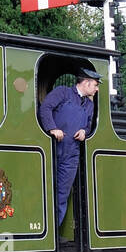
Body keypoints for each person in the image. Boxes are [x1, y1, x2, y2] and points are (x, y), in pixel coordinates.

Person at [38, 67, 99, 226]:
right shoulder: (63, 92)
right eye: (95, 85)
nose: (97, 89)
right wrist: (52, 128)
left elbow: (88, 126)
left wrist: (84, 131)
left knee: (62, 194)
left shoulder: (89, 105)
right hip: (51, 149)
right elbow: (45, 108)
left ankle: (54, 231)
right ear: (86, 83)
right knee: (44, 190)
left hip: (71, 154)